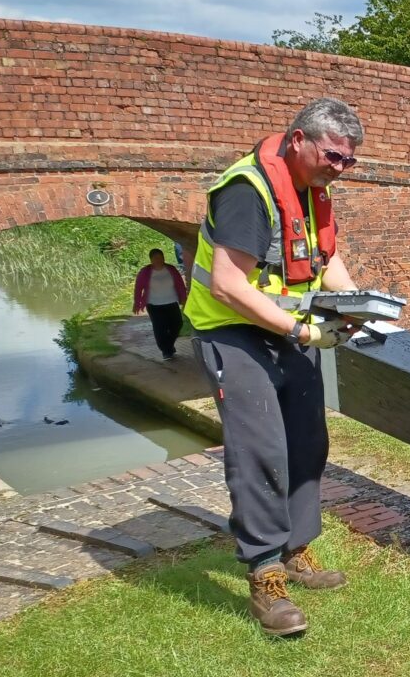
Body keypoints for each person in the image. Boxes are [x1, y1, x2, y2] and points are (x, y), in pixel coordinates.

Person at [183, 98, 366, 637]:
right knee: (259, 450)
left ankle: (296, 548)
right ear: (298, 140)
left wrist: (358, 304)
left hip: (287, 329)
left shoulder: (312, 189)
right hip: (234, 331)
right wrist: (302, 332)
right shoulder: (247, 190)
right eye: (333, 156)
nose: (340, 168)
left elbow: (325, 258)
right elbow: (227, 284)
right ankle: (265, 573)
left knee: (308, 441)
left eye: (349, 161)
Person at [132, 247, 188, 359]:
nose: (158, 260)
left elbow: (180, 285)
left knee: (177, 324)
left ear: (163, 257)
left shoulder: (171, 269)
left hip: (171, 302)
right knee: (160, 328)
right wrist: (137, 303)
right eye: (155, 258)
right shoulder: (145, 272)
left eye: (160, 257)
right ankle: (166, 351)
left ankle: (169, 345)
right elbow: (138, 288)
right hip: (154, 305)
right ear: (151, 260)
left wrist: (183, 298)